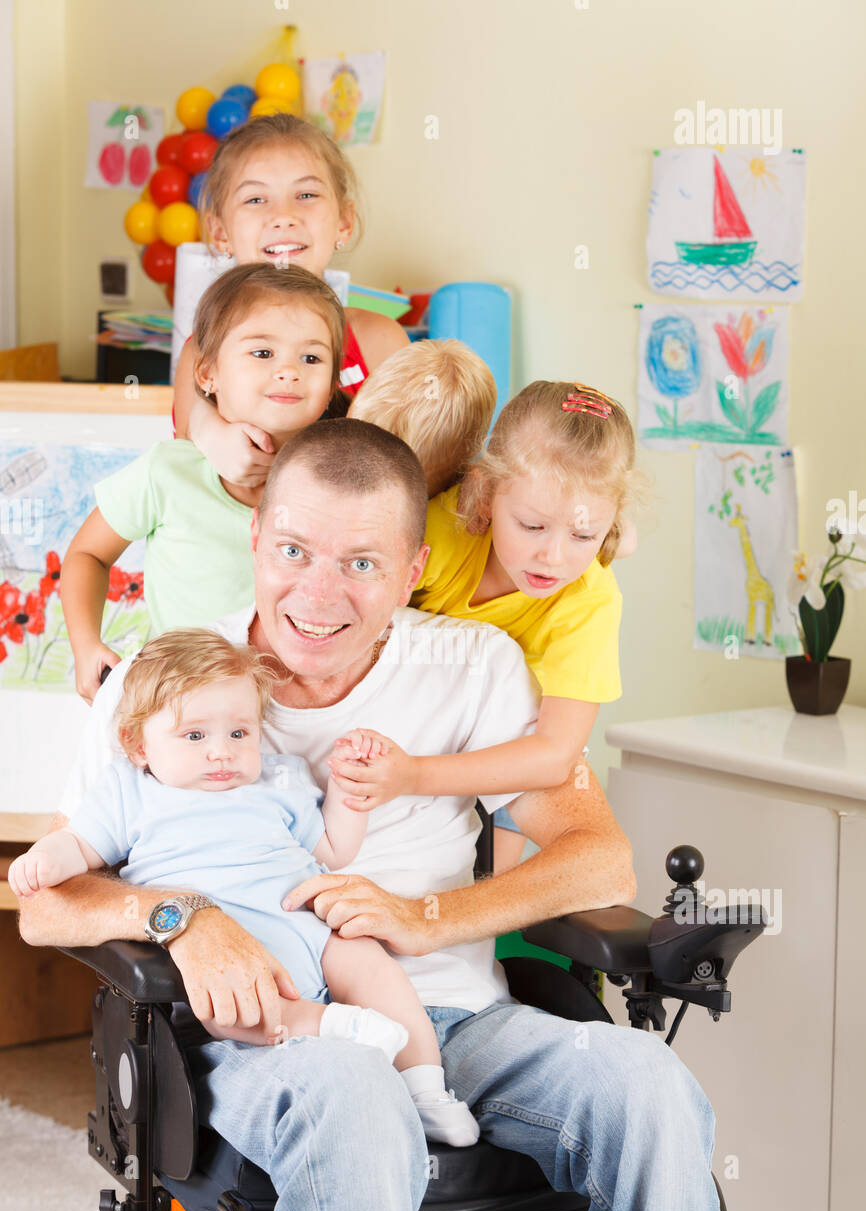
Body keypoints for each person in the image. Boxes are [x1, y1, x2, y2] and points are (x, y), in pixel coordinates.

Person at [18, 417, 723, 1211]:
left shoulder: (476, 667)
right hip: (268, 1030)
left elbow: (601, 863)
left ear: (414, 570)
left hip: (458, 1023)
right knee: (354, 1093)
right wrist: (181, 916)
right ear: (255, 538)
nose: (318, 593)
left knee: (646, 1083)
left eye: (361, 563)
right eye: (293, 551)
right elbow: (48, 903)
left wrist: (428, 920)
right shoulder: (165, 682)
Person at [10, 628, 479, 1146]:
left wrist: (347, 791)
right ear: (138, 744)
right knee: (233, 1014)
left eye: (239, 734)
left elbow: (331, 848)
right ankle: (333, 1025)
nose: (221, 754)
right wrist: (42, 861)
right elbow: (79, 846)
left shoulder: (280, 780)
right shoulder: (130, 792)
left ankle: (426, 1087)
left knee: (375, 968)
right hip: (226, 955)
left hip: (311, 930)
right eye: (195, 736)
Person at [348, 347, 643, 870]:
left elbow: (552, 754)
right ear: (483, 493)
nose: (553, 557)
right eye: (531, 526)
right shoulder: (438, 532)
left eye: (583, 534)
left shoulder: (590, 599)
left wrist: (417, 774)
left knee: (484, 883)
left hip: (498, 758)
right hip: (390, 726)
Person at [61, 263, 343, 703]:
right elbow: (87, 554)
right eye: (263, 353)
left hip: (292, 715)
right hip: (179, 708)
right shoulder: (168, 472)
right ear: (208, 374)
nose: (290, 371)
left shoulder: (338, 488)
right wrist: (85, 645)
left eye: (311, 357)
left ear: (329, 389)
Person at [173, 112, 410, 485]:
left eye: (306, 195)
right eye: (255, 199)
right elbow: (181, 463)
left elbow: (414, 465)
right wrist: (208, 434)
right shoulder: (204, 350)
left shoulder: (380, 341)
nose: (283, 216)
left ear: (344, 223)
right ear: (220, 232)